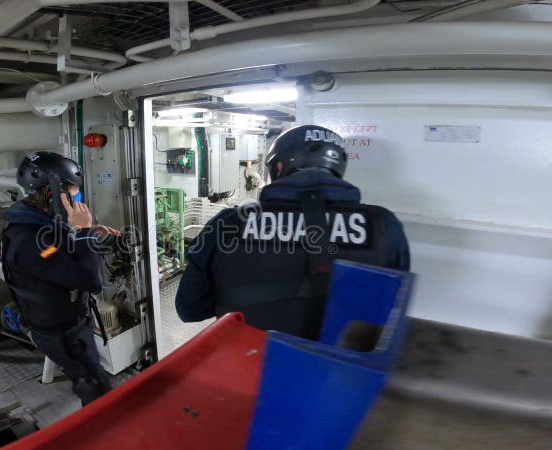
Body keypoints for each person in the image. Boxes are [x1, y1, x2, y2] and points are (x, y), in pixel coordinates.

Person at [175, 125, 410, 339]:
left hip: (247, 369)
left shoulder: (228, 223)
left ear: (279, 166)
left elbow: (189, 308)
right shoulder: (383, 225)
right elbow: (391, 312)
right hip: (342, 375)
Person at [1, 151, 119, 406]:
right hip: (62, 333)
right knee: (94, 385)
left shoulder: (36, 222)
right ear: (51, 193)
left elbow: (58, 250)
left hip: (66, 323)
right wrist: (85, 232)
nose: (77, 198)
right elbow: (90, 281)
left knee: (87, 374)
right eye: (73, 192)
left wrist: (88, 234)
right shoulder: (29, 239)